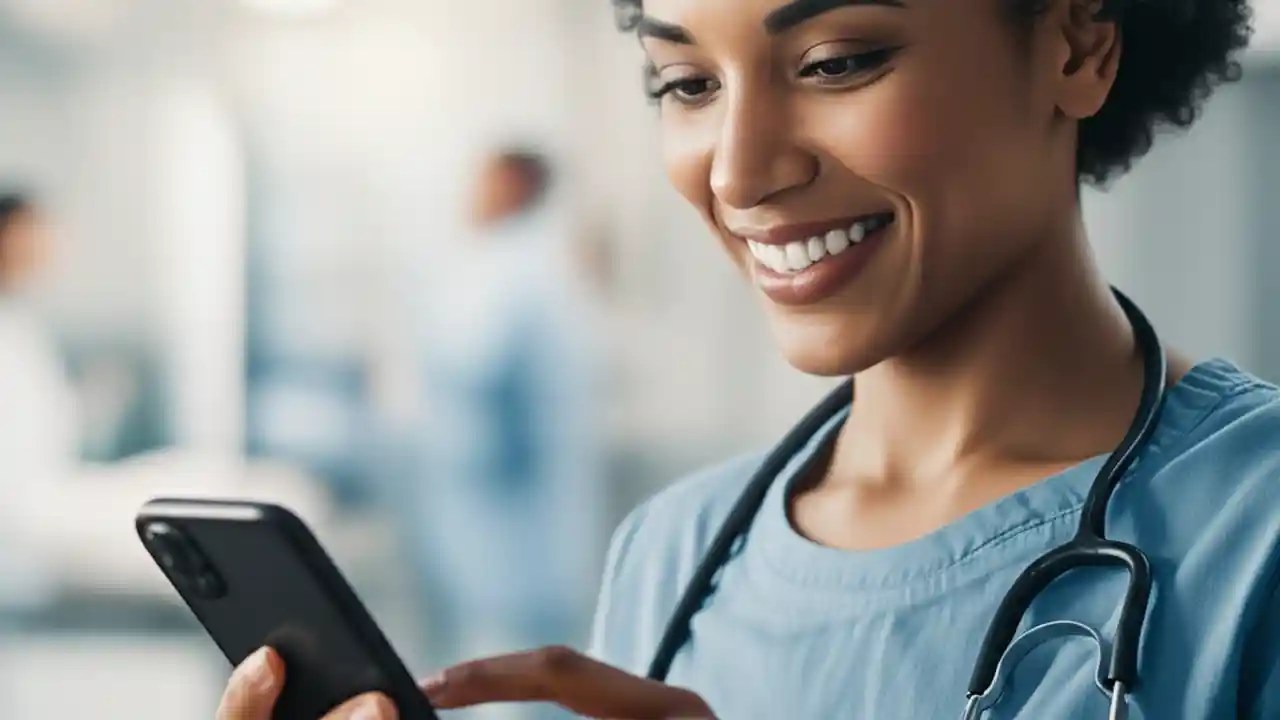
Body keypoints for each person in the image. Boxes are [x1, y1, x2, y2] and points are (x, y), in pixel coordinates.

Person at [217, 0, 1275, 718]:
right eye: (684, 83)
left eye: (834, 63)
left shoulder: (1254, 535)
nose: (739, 170)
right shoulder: (672, 558)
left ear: (1077, 46)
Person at [401, 148, 603, 708]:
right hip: (519, 518)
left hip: (505, 513)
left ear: (515, 189)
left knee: (504, 668)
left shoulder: (510, 268)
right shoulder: (540, 265)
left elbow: (473, 365)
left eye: (485, 183)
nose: (471, 196)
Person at [0, 192, 76, 607]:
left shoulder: (20, 325)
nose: (50, 248)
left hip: (41, 495)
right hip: (22, 517)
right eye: (36, 234)